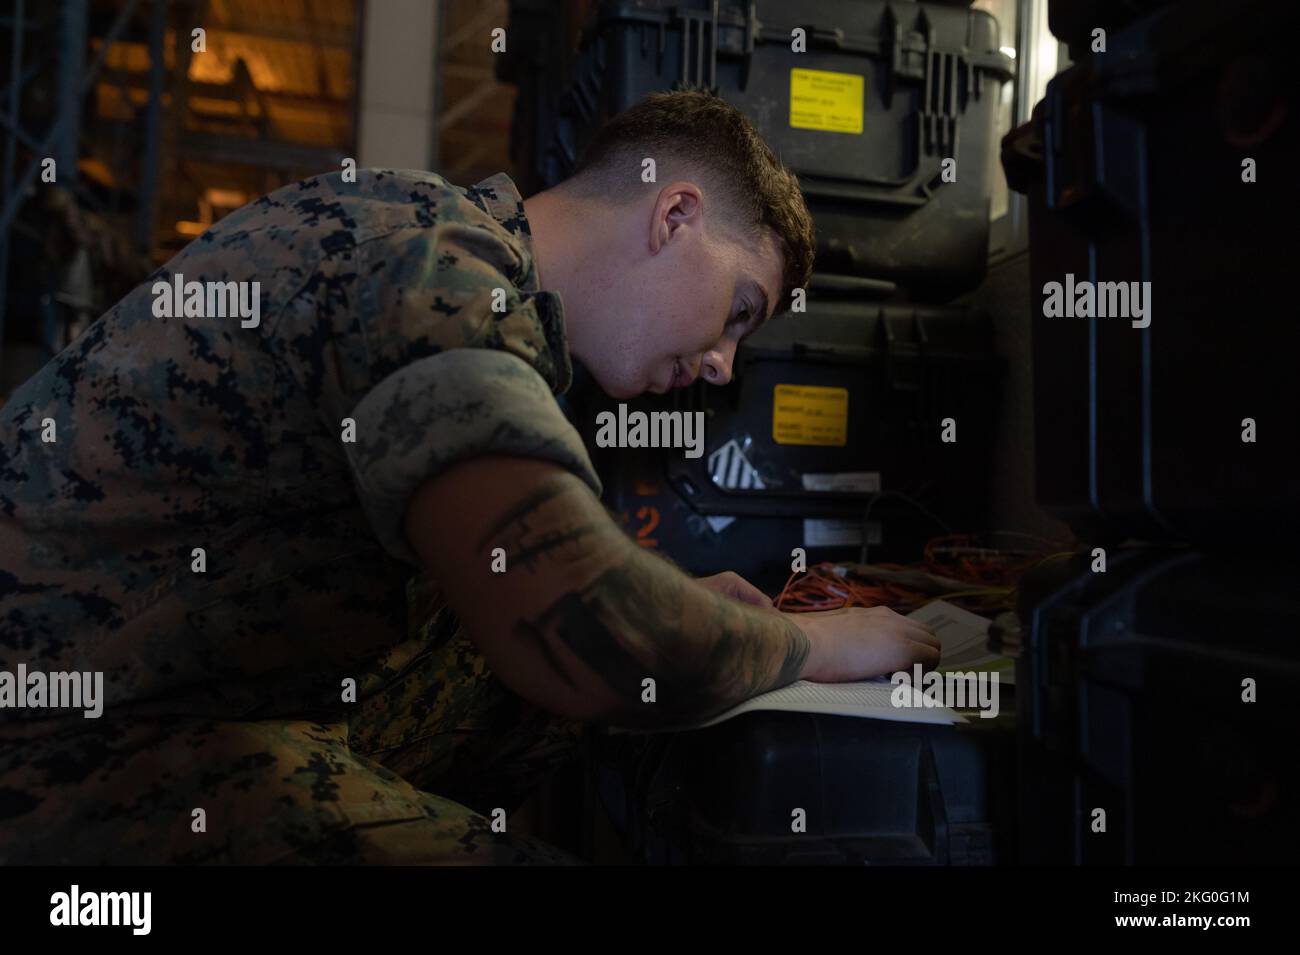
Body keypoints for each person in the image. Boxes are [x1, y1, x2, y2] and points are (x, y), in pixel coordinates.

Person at [0, 90, 940, 864]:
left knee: (524, 695)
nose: (724, 364)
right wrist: (817, 647)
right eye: (738, 310)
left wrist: (691, 613)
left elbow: (510, 610)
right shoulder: (434, 266)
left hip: (147, 702)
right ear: (675, 214)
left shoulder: (459, 253)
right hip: (56, 759)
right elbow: (581, 617)